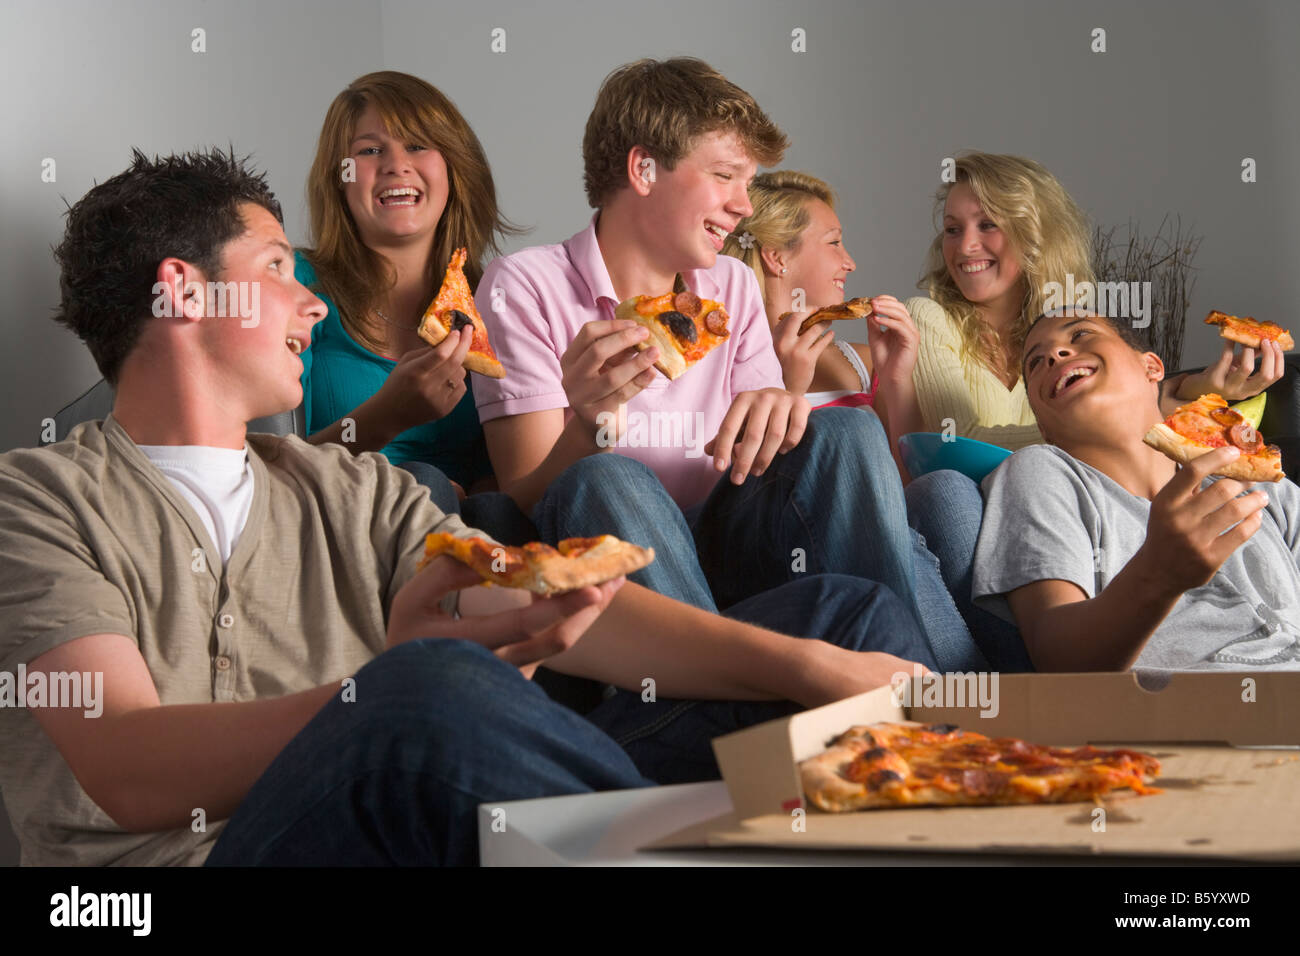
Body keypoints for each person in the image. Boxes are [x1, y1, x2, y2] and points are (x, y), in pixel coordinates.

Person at [0, 149, 934, 865]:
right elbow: (121, 765)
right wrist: (389, 690)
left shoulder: (346, 485)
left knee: (840, 616)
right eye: (280, 266)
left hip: (412, 815)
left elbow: (526, 606)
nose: (309, 303)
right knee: (421, 691)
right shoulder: (35, 499)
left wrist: (813, 667)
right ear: (184, 289)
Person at [472, 57, 982, 674]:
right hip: (620, 551)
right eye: (725, 176)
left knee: (848, 430)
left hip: (735, 536)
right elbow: (523, 493)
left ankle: (916, 695)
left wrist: (778, 408)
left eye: (748, 182)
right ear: (644, 169)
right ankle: (706, 699)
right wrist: (589, 424)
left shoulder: (732, 285)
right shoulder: (523, 285)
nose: (744, 204)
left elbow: (759, 453)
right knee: (608, 478)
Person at [972, 307, 1300, 676]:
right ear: (1043, 426)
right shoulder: (1039, 472)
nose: (1054, 355)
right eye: (1034, 363)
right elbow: (1059, 659)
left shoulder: (1267, 488)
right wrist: (1158, 575)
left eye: (1079, 335)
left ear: (1152, 369)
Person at [908, 151, 1283, 453]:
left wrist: (1199, 388)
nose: (965, 246)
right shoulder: (926, 317)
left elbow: (1129, 405)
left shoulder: (1079, 327)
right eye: (952, 229)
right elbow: (959, 443)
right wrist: (1142, 418)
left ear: (1036, 234)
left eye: (987, 224)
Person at [295, 71, 529, 538]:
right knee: (419, 482)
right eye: (369, 150)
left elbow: (506, 474)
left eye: (419, 145)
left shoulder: (496, 297)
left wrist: (476, 494)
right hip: (338, 533)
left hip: (471, 536)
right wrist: (386, 416)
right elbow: (263, 468)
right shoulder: (297, 285)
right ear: (338, 178)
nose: (396, 165)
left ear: (454, 168)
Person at [721, 170, 923, 468]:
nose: (850, 263)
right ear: (777, 258)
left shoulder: (865, 363)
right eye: (834, 243)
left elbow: (914, 487)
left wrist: (897, 380)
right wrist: (787, 390)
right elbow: (735, 488)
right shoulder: (721, 365)